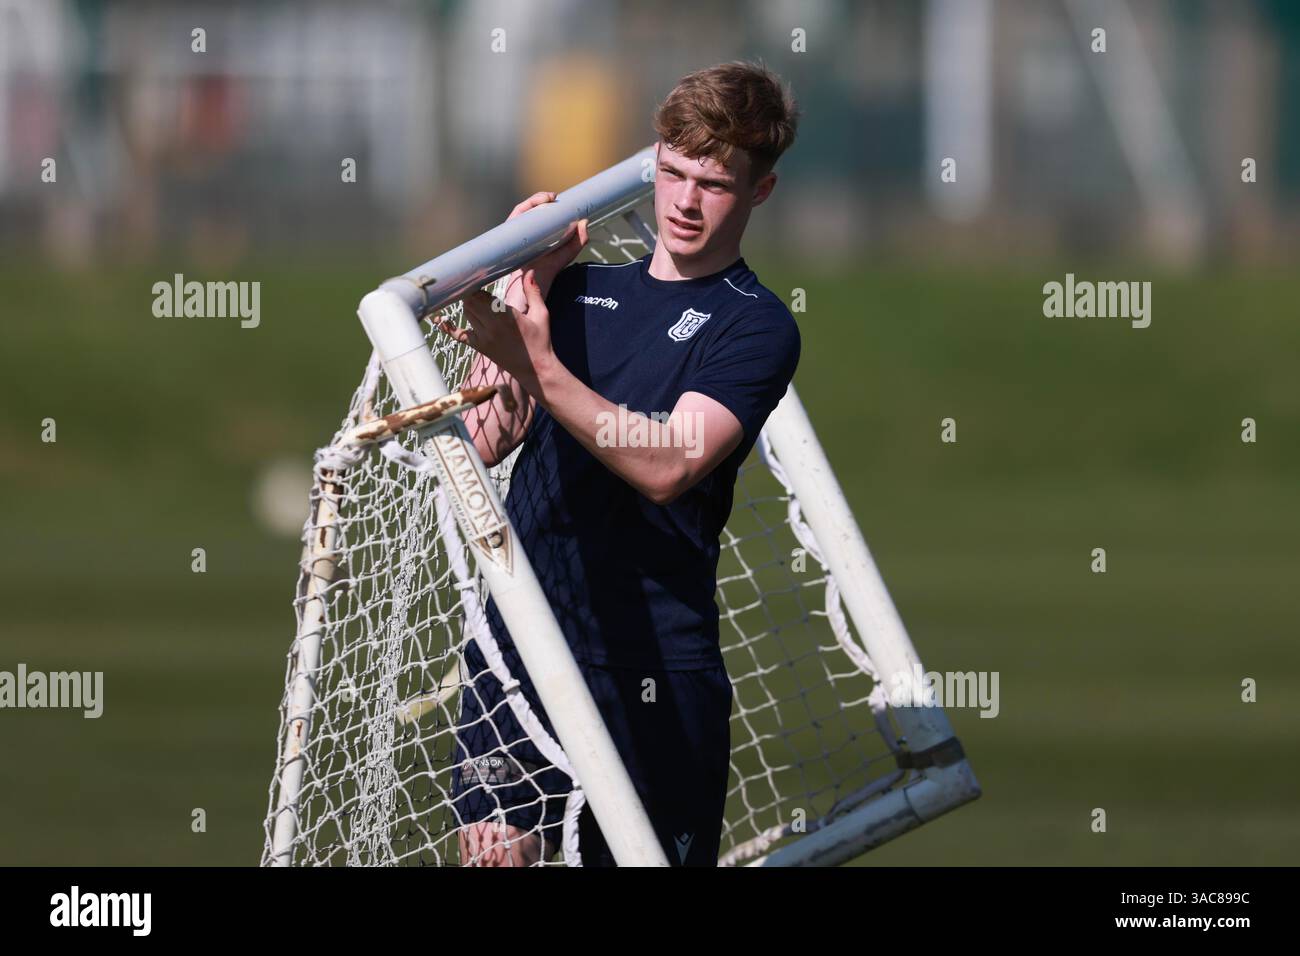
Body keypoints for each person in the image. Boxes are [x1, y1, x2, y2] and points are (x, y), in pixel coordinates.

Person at [443, 61, 801, 866]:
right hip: (524, 647)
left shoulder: (755, 327)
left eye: (712, 184)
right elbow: (488, 439)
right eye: (671, 173)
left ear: (760, 191)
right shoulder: (578, 291)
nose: (681, 202)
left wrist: (538, 363)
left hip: (656, 669)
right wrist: (515, 286)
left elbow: (669, 465)